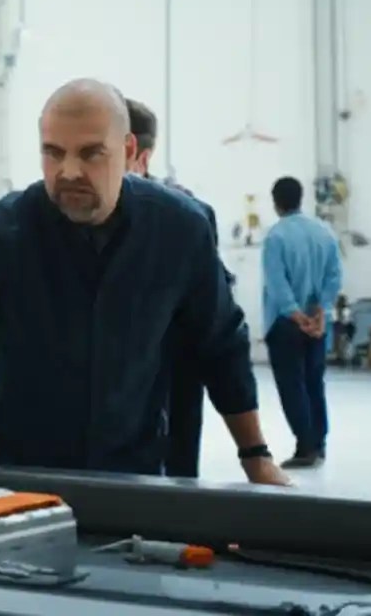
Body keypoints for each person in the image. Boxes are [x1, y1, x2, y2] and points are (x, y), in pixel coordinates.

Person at [0, 78, 290, 487]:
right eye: (53, 153)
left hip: (140, 473)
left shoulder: (179, 230)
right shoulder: (3, 231)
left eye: (90, 153)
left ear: (127, 151)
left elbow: (220, 345)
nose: (69, 171)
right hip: (27, 477)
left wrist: (256, 457)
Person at [125, 97, 224, 478]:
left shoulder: (188, 214)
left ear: (139, 154)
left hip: (177, 359)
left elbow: (212, 304)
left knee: (179, 460)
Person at [262, 176, 343, 469]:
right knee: (314, 382)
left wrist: (296, 315)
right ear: (301, 197)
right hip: (318, 323)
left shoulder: (275, 237)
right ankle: (318, 444)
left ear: (276, 201)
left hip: (286, 323)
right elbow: (335, 276)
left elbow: (276, 283)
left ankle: (305, 446)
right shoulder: (325, 233)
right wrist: (320, 312)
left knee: (292, 385)